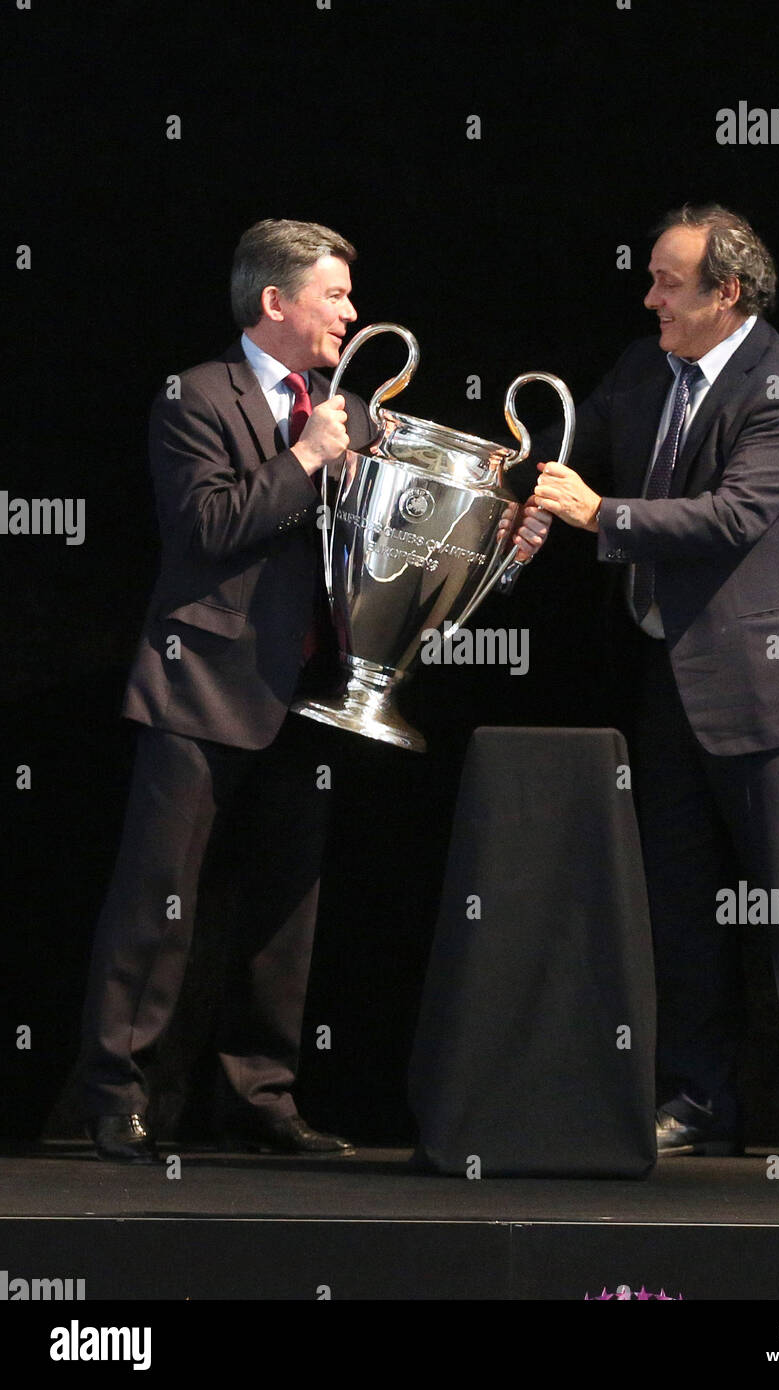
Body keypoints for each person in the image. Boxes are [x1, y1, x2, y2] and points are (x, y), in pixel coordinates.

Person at [80, 217, 549, 1162]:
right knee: (156, 905)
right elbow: (205, 529)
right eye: (333, 294)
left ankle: (260, 1097)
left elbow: (411, 543)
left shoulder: (353, 410)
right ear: (274, 301)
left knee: (284, 914)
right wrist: (303, 459)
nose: (350, 311)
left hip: (311, 689)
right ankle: (114, 1095)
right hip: (200, 688)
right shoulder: (195, 397)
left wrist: (502, 547)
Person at [531, 204, 779, 1160]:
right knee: (677, 900)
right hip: (665, 677)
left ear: (725, 292)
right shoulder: (645, 368)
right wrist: (510, 493)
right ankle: (695, 1096)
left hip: (769, 688)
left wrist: (596, 515)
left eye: (666, 283)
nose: (648, 299)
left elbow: (726, 518)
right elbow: (566, 452)